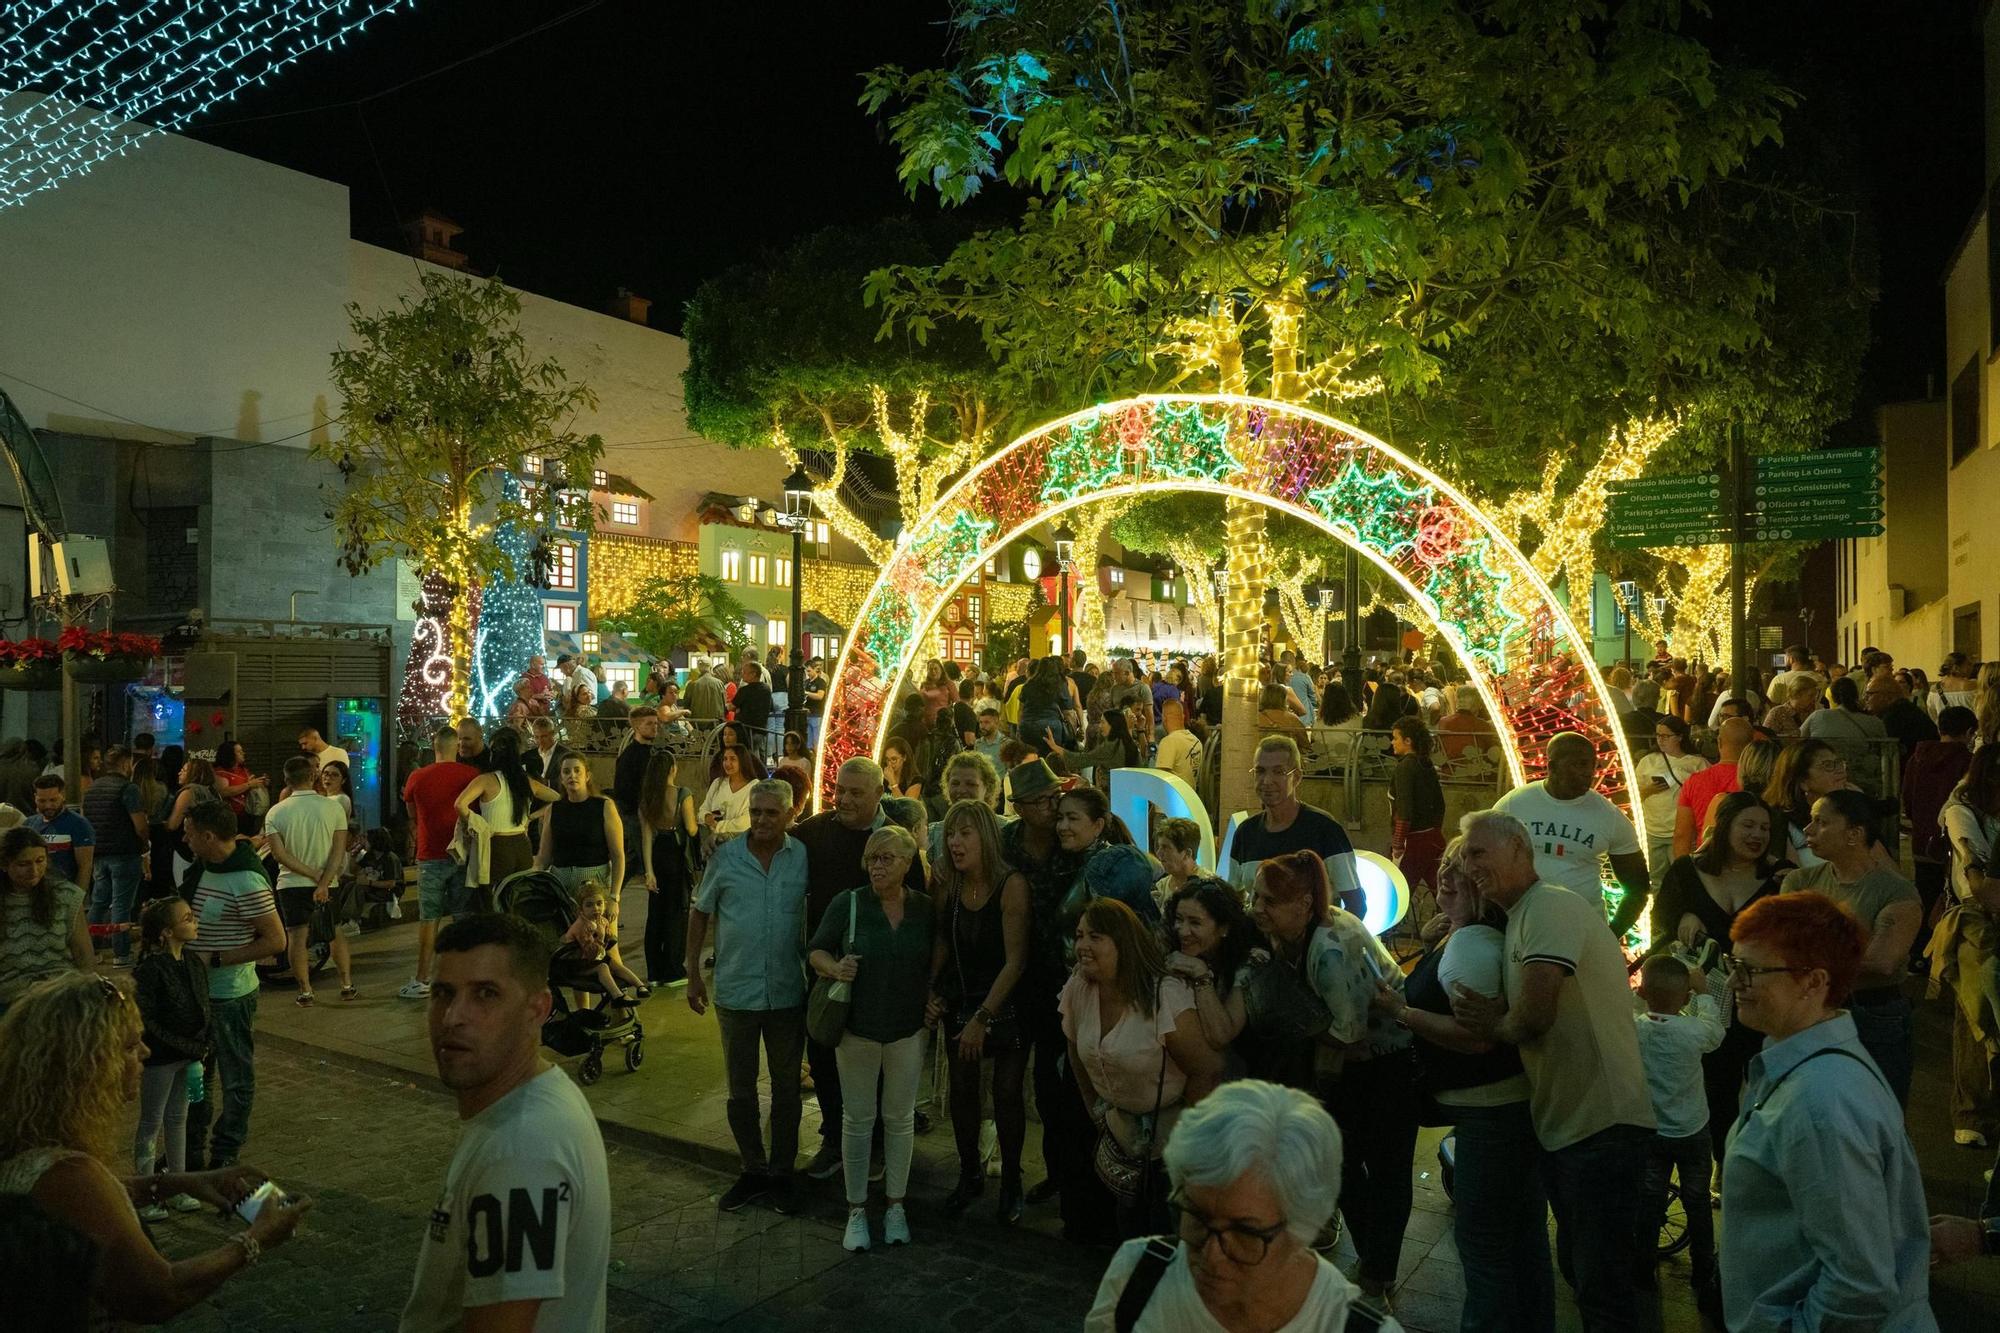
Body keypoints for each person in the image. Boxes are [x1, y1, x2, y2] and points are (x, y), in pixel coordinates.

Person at [0, 972, 312, 1325]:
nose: (145, 1052)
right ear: (87, 1066)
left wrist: (180, 1183)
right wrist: (256, 1239)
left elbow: (94, 1205)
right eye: (130, 1047)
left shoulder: (32, 1138)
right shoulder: (68, 1173)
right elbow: (159, 1293)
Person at [1450, 809, 1654, 1333]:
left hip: (1602, 1126)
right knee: (1589, 1278)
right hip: (1574, 1127)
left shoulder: (1549, 908)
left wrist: (1491, 1025)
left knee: (1604, 1290)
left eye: (1478, 852)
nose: (1469, 865)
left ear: (1521, 850)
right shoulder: (1524, 915)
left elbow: (1534, 1017)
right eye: (1464, 856)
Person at [1719, 893, 1937, 1333]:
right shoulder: (1801, 1065)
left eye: (1752, 970)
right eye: (1733, 964)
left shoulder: (1819, 1102)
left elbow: (1859, 1283)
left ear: (1813, 983)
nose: (1733, 982)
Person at [1370, 840, 1549, 1333]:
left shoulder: (1472, 944)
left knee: (1485, 1246)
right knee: (1523, 1241)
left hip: (1490, 1116)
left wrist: (1400, 1012)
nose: (1447, 876)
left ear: (1486, 885)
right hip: (1504, 1111)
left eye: (1463, 871)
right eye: (1446, 866)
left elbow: (1475, 1039)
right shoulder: (1467, 935)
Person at [401, 913, 610, 1331]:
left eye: (485, 994)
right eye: (442, 993)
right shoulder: (533, 1104)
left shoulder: (520, 1149)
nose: (452, 1017)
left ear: (538, 1009)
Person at [1085, 1079, 1402, 1333]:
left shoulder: (1347, 1326)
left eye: (1245, 1232)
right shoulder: (1137, 1280)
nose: (1211, 1256)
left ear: (1303, 1230)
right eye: (1196, 1216)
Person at [1248, 849, 1416, 1301]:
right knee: (1341, 1164)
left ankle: (1379, 1270)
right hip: (1354, 1067)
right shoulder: (1297, 935)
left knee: (1385, 1171)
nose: (1257, 909)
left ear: (1303, 905)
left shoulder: (1330, 949)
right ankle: (1373, 1261)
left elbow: (1349, 1034)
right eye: (1255, 898)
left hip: (1387, 1064)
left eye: (1268, 901)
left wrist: (1292, 1018)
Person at [790, 757, 926, 1181]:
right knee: (825, 1053)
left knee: (884, 1068)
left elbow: (919, 910)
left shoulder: (897, 843)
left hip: (884, 982)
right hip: (829, 971)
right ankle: (835, 1138)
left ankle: (883, 1145)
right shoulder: (816, 831)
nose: (843, 799)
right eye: (840, 790)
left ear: (878, 794)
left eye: (855, 793)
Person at [807, 823, 935, 1253]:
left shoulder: (923, 909)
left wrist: (935, 998)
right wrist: (833, 968)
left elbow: (934, 960)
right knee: (858, 1120)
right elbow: (817, 948)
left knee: (899, 1119)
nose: (878, 866)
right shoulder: (851, 904)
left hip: (907, 1029)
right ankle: (857, 1209)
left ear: (907, 863)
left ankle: (896, 1204)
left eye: (888, 858)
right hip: (858, 1029)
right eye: (873, 859)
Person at [685, 780, 810, 1212]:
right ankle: (752, 1169)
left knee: (787, 1089)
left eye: (770, 813)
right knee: (740, 1090)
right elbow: (700, 911)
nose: (760, 820)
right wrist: (692, 974)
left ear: (790, 815)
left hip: (786, 992)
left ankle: (782, 1172)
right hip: (736, 991)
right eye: (755, 812)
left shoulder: (801, 858)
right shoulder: (727, 857)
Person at [1064, 897, 1220, 1239]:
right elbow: (1074, 1049)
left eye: (1095, 937)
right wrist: (1098, 1112)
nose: (1082, 946)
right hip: (1122, 1136)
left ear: (1123, 944)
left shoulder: (1162, 995)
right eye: (1079, 936)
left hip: (1171, 1140)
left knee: (1167, 1239)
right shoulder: (1080, 988)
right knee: (1132, 1233)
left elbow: (1205, 1069)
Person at [1650, 791, 1783, 1146]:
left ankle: (1760, 1155)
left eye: (1765, 828)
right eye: (1748, 825)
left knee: (1766, 1081)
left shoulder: (1778, 878)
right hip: (1705, 1001)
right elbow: (1660, 924)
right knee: (1715, 1084)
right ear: (1724, 827)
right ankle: (1722, 1161)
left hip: (1761, 998)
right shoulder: (1686, 871)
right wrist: (1684, 915)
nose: (1757, 835)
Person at [1780, 789, 1921, 1104]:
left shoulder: (1895, 891)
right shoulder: (1799, 882)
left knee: (1877, 1115)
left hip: (1873, 1014)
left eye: (1821, 822)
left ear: (1855, 834)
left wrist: (1809, 953)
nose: (1807, 831)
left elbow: (1882, 962)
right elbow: (1782, 945)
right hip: (1811, 1012)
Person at [927, 800, 1031, 1222]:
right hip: (962, 995)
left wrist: (983, 1018)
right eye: (951, 833)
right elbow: (941, 942)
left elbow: (1016, 960)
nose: (955, 841)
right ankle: (969, 1173)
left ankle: (1010, 1181)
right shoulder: (951, 886)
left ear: (985, 837)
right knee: (964, 1093)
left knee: (1006, 1094)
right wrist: (930, 990)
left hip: (1005, 1004)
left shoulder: (1011, 885)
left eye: (965, 833)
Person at [181, 801, 283, 1170]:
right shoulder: (205, 868)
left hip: (229, 995)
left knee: (235, 1078)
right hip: (195, 991)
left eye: (189, 832)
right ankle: (190, 1152)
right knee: (196, 1077)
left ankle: (225, 1151)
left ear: (208, 836)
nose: (185, 838)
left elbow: (275, 941)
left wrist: (219, 958)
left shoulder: (246, 878)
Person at [1630, 953, 1726, 1313]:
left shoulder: (1636, 1029)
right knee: (1697, 1200)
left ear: (1641, 992)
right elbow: (1715, 1031)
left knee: (1649, 1200)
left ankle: (1642, 1269)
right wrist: (1703, 993)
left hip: (1652, 1132)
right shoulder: (1693, 1031)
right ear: (1685, 998)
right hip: (1692, 1130)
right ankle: (1703, 1270)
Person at [1492, 731, 1650, 936]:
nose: (1588, 773)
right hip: (1521, 925)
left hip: (1582, 928)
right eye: (1579, 765)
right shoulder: (1514, 804)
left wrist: (1610, 935)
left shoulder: (1610, 816)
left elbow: (1638, 889)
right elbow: (1481, 859)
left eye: (1592, 765)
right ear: (1552, 767)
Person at [1932, 744, 2000, 1147]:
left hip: (1989, 908)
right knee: (1976, 1017)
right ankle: (1971, 1113)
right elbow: (1976, 879)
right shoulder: (1963, 811)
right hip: (1974, 919)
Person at [131, 895, 209, 1217]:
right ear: (166, 932)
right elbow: (147, 1020)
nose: (195, 922)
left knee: (178, 1119)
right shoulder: (150, 969)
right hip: (162, 1057)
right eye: (187, 918)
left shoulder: (192, 961)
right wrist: (185, 1045)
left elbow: (204, 1005)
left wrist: (203, 1044)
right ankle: (145, 1192)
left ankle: (177, 1187)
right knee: (151, 1121)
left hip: (188, 1053)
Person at [1230, 735, 1365, 918]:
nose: (1267, 781)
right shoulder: (1245, 833)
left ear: (1297, 777)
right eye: (1260, 771)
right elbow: (1235, 901)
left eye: (1278, 772)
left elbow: (1356, 905)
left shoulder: (1325, 829)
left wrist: (1325, 942)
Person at [262, 755, 352, 1006]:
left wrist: (310, 874)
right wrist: (323, 881)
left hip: (291, 884)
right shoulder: (333, 808)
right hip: (328, 884)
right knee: (334, 932)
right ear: (312, 776)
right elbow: (338, 849)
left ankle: (305, 990)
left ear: (286, 779)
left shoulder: (275, 813)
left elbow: (279, 855)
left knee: (297, 937)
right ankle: (346, 984)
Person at [399, 724, 479, 1000]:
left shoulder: (417, 777)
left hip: (430, 854)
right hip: (462, 854)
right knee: (461, 916)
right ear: (457, 747)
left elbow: (411, 812)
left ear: (433, 747)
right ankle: (463, 975)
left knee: (429, 917)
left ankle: (422, 977)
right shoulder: (471, 775)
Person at [1162, 877, 1258, 1077]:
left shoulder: (1250, 962)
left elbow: (1220, 1035)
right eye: (1179, 919)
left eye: (1195, 923)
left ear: (1224, 928)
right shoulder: (1172, 950)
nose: (1183, 931)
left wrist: (1200, 973)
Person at [1905, 705, 1977, 962]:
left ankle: (1918, 952)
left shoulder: (1916, 758)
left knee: (1924, 894)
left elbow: (1908, 800)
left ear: (1939, 728)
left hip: (1922, 839)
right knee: (1949, 897)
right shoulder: (1968, 762)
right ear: (1969, 732)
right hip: (1952, 841)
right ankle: (1943, 952)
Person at [454, 729, 558, 901]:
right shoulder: (526, 782)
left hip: (496, 846)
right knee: (519, 901)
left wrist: (475, 822)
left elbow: (459, 804)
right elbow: (557, 799)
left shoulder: (486, 780)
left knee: (494, 902)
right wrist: (531, 817)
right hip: (523, 846)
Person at [0, 826, 91, 1017]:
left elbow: (84, 956)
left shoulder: (66, 896)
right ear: (5, 864)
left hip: (63, 993)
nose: (34, 870)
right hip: (12, 999)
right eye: (23, 864)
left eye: (40, 861)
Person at [537, 753, 627, 931]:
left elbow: (618, 856)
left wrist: (614, 897)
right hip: (562, 884)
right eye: (566, 772)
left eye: (577, 771)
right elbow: (544, 857)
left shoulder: (604, 806)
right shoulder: (554, 809)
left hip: (594, 885)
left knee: (603, 944)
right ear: (561, 779)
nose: (572, 776)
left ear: (587, 776)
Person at [80, 745, 148, 965]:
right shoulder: (128, 789)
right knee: (121, 905)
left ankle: (92, 949)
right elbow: (139, 825)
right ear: (125, 763)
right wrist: (145, 842)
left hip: (99, 854)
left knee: (98, 903)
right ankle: (122, 953)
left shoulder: (92, 788)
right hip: (125, 853)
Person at [638, 750, 698, 989]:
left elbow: (645, 837)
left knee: (656, 915)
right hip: (675, 853)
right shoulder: (683, 794)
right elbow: (692, 829)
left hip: (657, 852)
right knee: (676, 912)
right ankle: (673, 970)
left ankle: (654, 970)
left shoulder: (647, 797)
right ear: (672, 769)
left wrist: (648, 871)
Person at [1636, 715, 1707, 882]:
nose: (1660, 740)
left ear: (1680, 737)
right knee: (1655, 879)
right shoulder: (1648, 761)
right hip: (1652, 829)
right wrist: (1647, 790)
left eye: (1665, 736)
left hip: (1682, 831)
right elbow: (1632, 792)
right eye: (1658, 735)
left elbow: (1704, 796)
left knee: (1683, 878)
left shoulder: (1697, 763)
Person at [552, 881, 645, 1005]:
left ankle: (640, 986)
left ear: (605, 905)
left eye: (599, 904)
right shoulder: (581, 926)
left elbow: (607, 937)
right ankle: (617, 996)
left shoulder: (602, 920)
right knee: (603, 968)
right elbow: (590, 951)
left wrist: (608, 936)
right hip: (577, 964)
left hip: (593, 958)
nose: (595, 908)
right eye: (589, 905)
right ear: (581, 909)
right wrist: (601, 938)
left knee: (615, 964)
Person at [1802, 675, 1890, 800]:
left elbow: (1799, 739)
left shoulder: (1819, 716)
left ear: (1832, 696)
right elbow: (1885, 747)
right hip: (1863, 778)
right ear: (1856, 695)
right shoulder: (1873, 721)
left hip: (1824, 776)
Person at [1674, 716, 1750, 859]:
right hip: (1745, 862)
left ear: (1719, 742)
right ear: (1751, 745)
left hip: (1706, 859)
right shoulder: (1755, 781)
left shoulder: (1694, 781)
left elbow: (1682, 835)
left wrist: (1682, 870)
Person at [1388, 717, 1446, 901]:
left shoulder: (1405, 767)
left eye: (1395, 738)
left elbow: (1404, 809)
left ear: (1408, 741)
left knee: (1397, 893)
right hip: (1434, 839)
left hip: (1413, 842)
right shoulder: (1426, 765)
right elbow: (1440, 805)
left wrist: (1398, 843)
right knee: (1443, 893)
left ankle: (1389, 930)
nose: (1392, 742)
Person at [28, 773, 94, 894]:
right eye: (42, 801)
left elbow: (85, 867)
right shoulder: (29, 824)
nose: (48, 805)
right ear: (35, 798)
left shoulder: (78, 824)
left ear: (62, 796)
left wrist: (76, 899)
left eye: (53, 800)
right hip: (37, 894)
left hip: (65, 892)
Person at [699, 742, 760, 843]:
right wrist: (706, 816)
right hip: (713, 845)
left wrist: (718, 825)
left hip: (741, 844)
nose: (727, 763)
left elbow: (747, 821)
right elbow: (703, 808)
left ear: (742, 761)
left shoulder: (755, 787)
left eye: (733, 759)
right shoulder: (718, 783)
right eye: (725, 759)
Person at [1153, 817, 1203, 907]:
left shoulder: (1210, 888)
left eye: (1165, 847)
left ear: (1187, 853)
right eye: (1159, 846)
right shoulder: (1160, 887)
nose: (1158, 853)